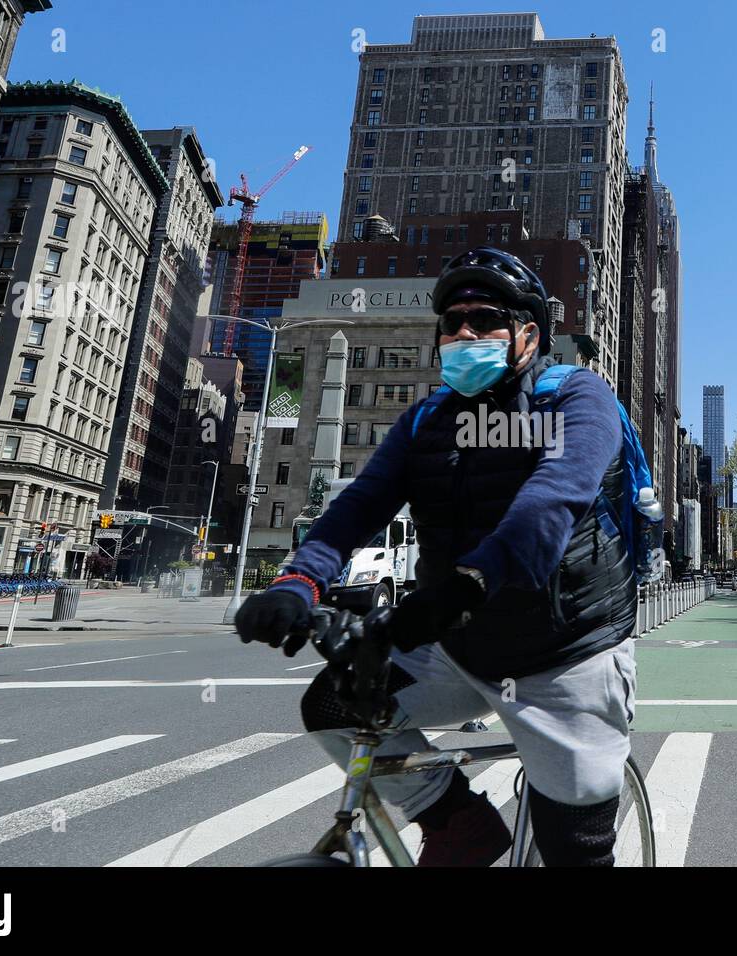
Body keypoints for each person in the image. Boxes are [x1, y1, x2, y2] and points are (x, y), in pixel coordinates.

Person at [235, 248, 638, 867]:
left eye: (484, 319)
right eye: (452, 323)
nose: (464, 333)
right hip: (461, 647)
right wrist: (298, 584)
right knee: (335, 705)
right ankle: (457, 823)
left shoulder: (579, 398)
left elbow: (553, 500)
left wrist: (468, 583)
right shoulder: (426, 420)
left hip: (567, 651)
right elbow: (359, 506)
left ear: (529, 333)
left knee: (575, 852)